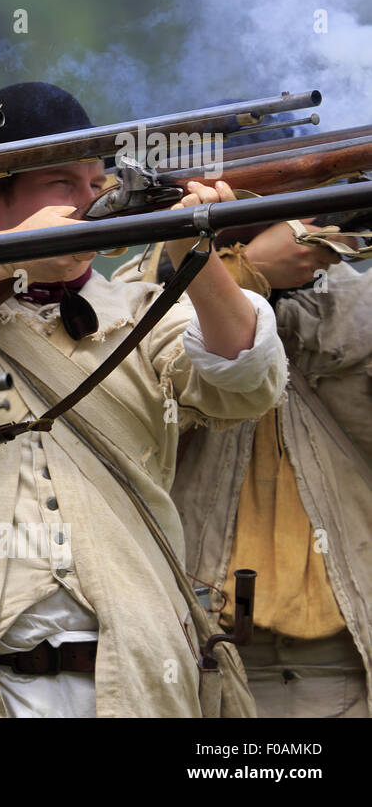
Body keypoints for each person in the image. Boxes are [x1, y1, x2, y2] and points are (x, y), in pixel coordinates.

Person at [0, 82, 288, 717]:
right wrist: (10, 265)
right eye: (62, 185)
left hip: (138, 675)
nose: (92, 200)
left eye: (98, 181)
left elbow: (247, 379)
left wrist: (194, 246)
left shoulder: (141, 313)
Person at [127, 221, 372, 716]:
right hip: (201, 649)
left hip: (342, 652)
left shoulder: (347, 297)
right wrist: (240, 275)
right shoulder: (139, 290)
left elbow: (349, 340)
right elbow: (136, 399)